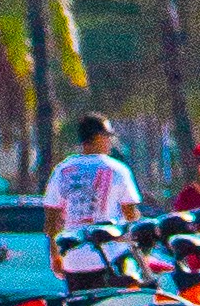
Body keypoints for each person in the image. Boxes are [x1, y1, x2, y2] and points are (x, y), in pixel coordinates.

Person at [42, 110, 141, 280]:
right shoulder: (117, 169)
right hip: (110, 258)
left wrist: (55, 254)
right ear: (97, 137)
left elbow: (52, 219)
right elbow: (130, 214)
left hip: (73, 260)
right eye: (108, 135)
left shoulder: (62, 170)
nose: (111, 140)